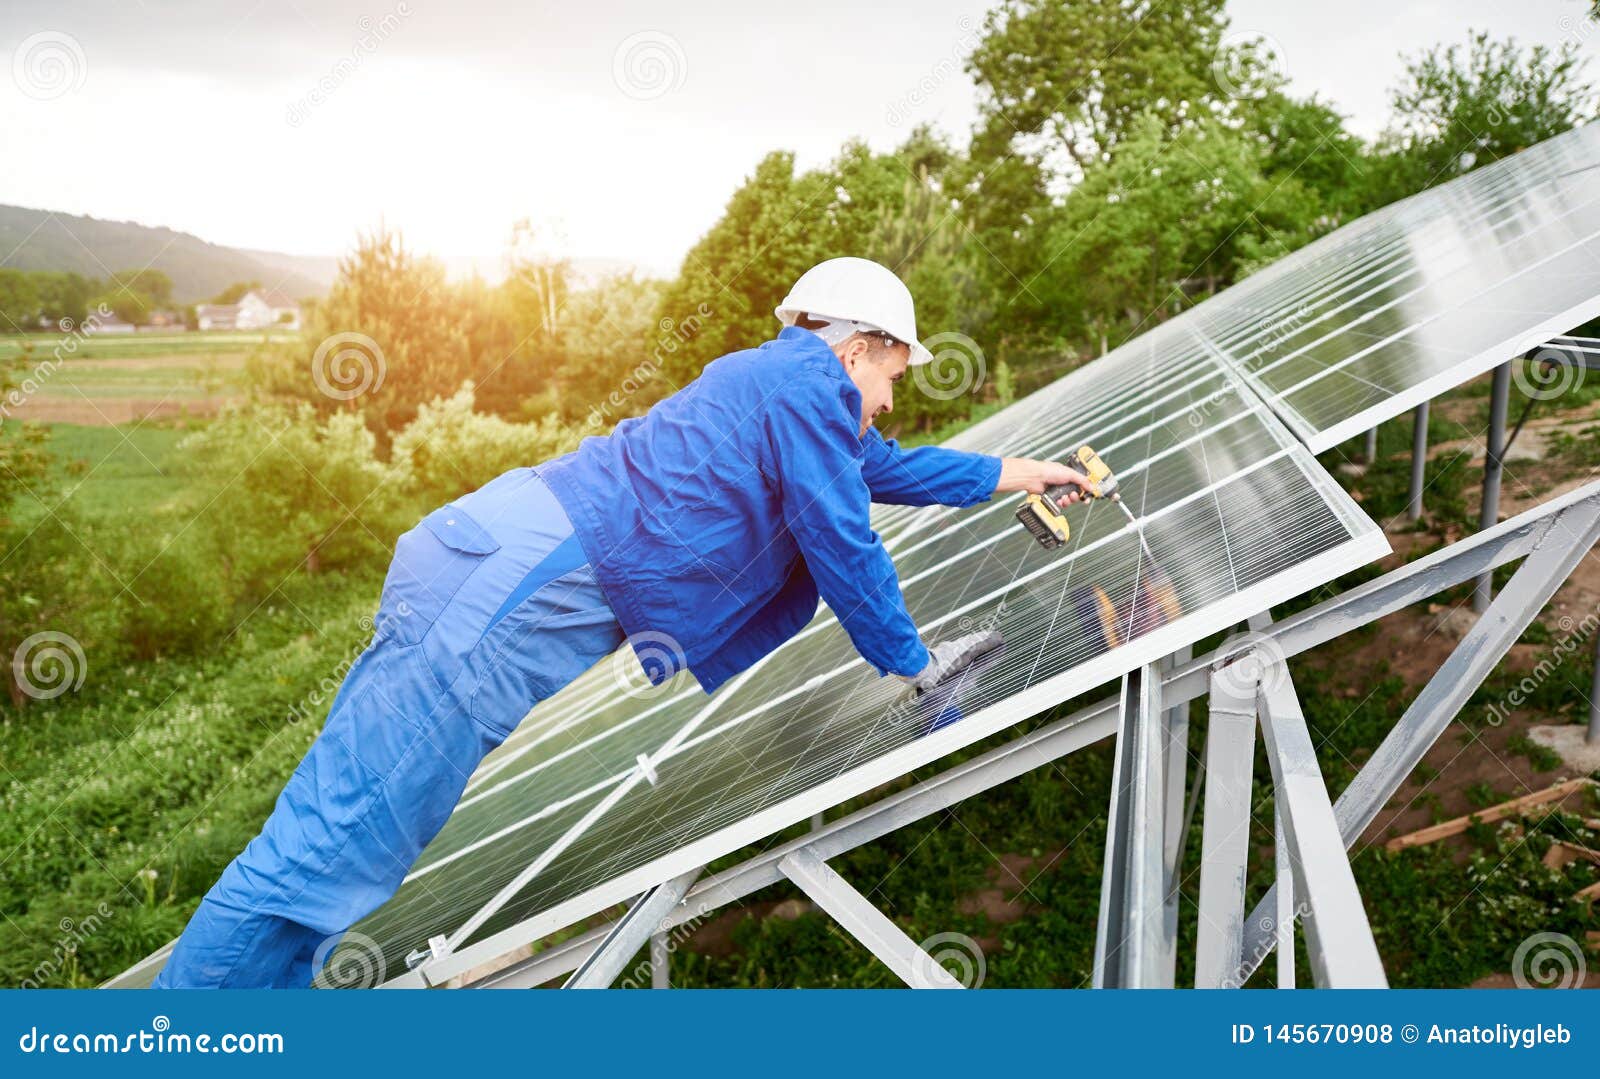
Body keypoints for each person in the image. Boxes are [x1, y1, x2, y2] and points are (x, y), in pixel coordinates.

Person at [150, 256, 1096, 988]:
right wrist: (918, 668)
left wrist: (1028, 472)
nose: (891, 396)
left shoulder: (786, 386)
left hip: (497, 567)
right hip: (506, 587)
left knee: (355, 844)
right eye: (894, 371)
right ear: (858, 348)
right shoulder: (809, 388)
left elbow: (889, 471)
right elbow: (841, 536)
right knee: (331, 843)